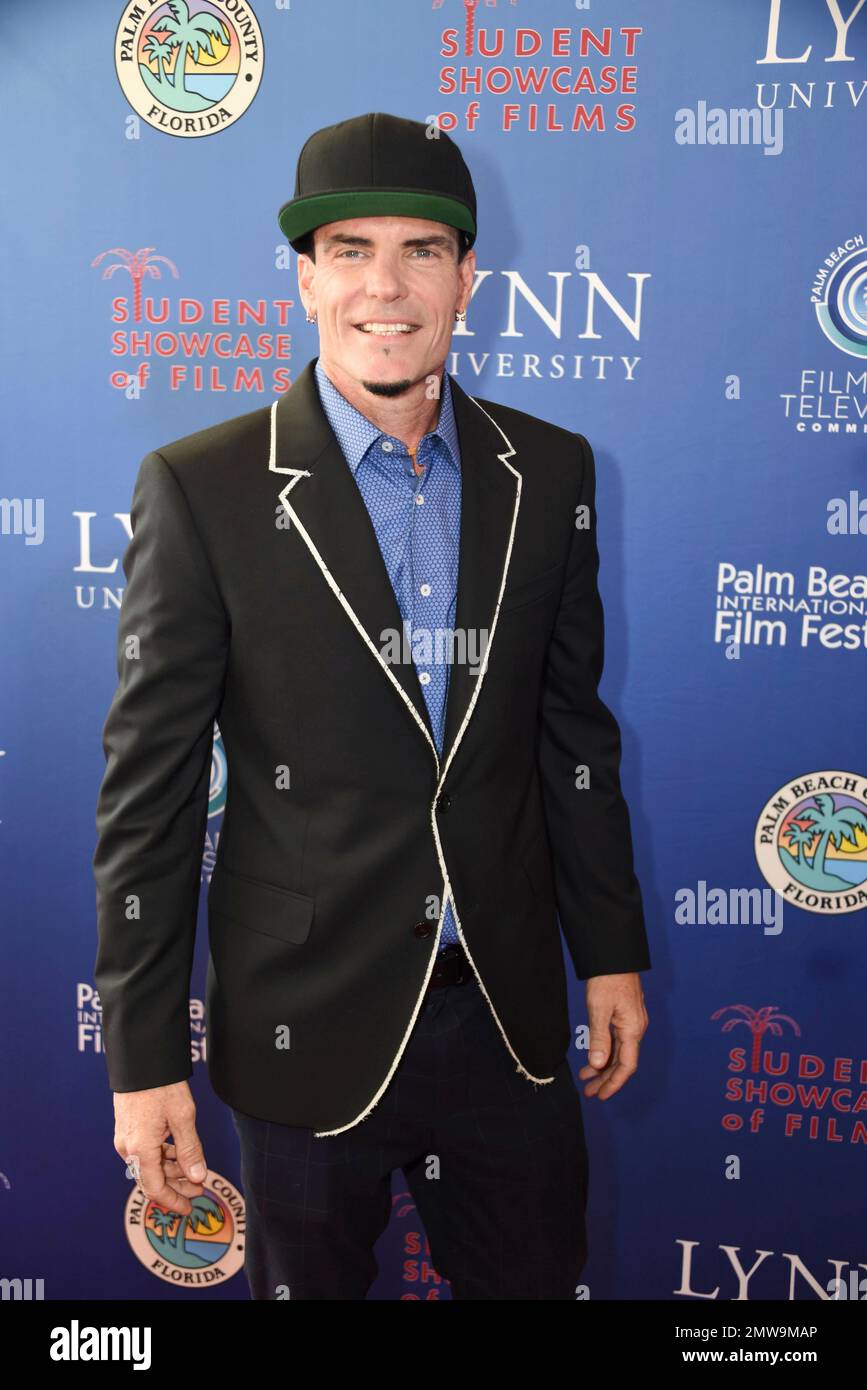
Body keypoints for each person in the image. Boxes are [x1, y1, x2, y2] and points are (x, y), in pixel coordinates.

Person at [93, 110, 651, 1300]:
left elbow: (572, 737)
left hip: (505, 1014)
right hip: (307, 1026)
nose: (385, 286)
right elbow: (150, 795)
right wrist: (143, 1062)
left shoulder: (550, 473)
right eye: (349, 249)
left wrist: (608, 952)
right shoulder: (201, 489)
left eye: (422, 250)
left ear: (468, 277)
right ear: (305, 278)